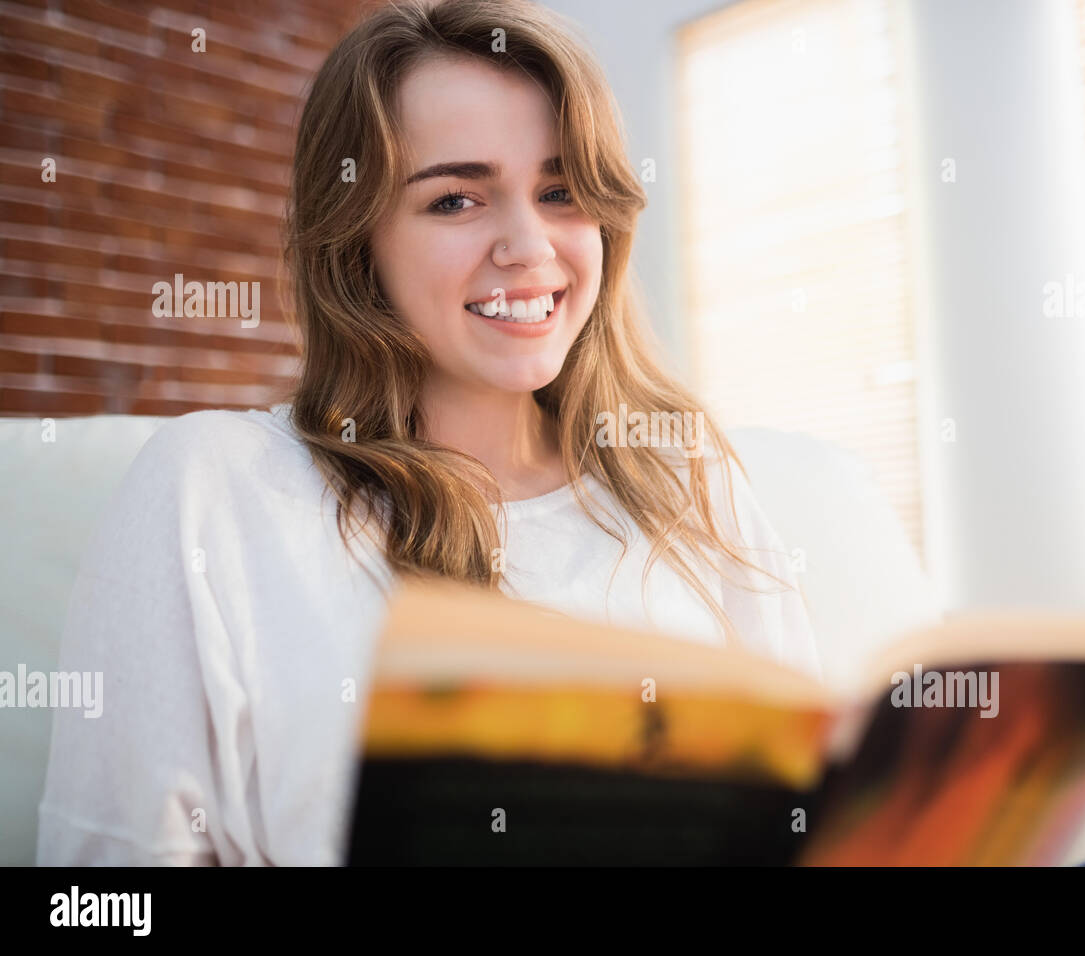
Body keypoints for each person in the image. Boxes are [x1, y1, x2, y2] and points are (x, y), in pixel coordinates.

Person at [36, 0, 820, 866]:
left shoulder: (691, 480)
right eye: (455, 199)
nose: (528, 246)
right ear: (358, 243)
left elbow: (812, 823)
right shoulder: (212, 490)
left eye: (560, 192)